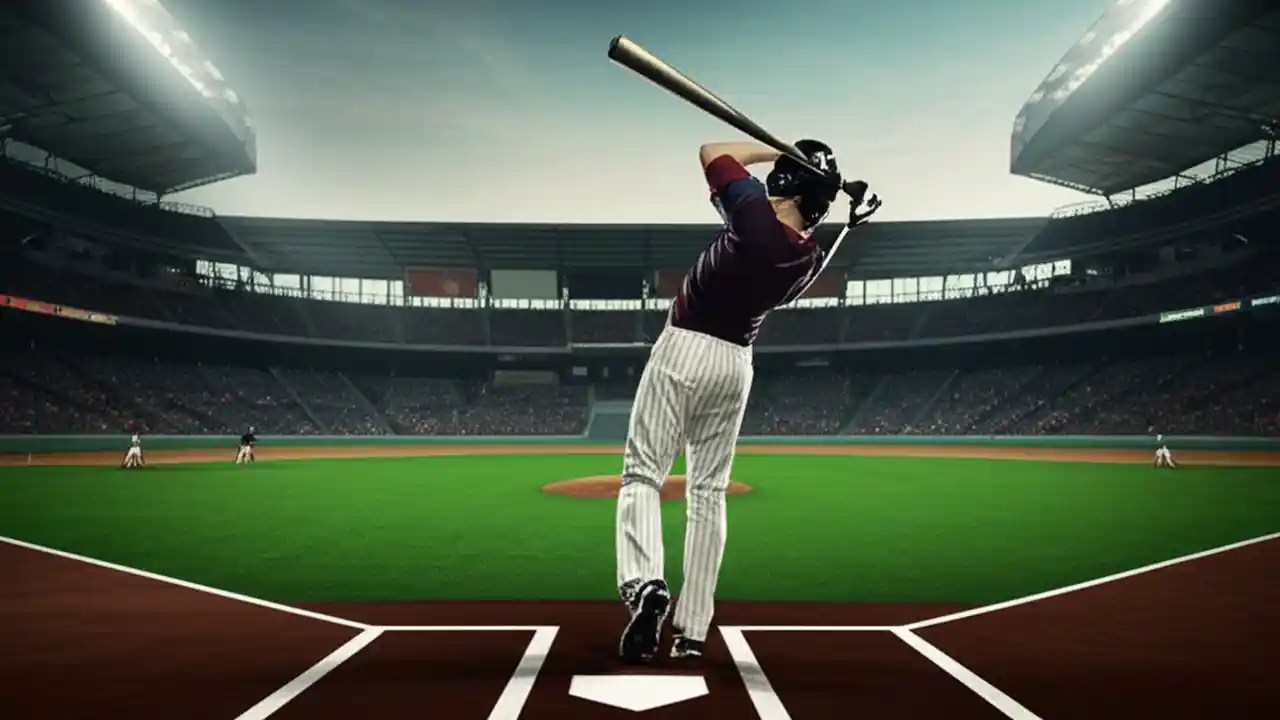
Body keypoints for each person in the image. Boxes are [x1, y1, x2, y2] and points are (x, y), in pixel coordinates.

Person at [615, 139, 880, 663]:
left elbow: (711, 149)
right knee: (708, 494)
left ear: (784, 181)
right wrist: (838, 206)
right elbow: (807, 227)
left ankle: (644, 585)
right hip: (736, 366)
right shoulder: (805, 256)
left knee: (644, 475)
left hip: (683, 348)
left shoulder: (753, 212)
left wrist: (771, 146)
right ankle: (692, 630)